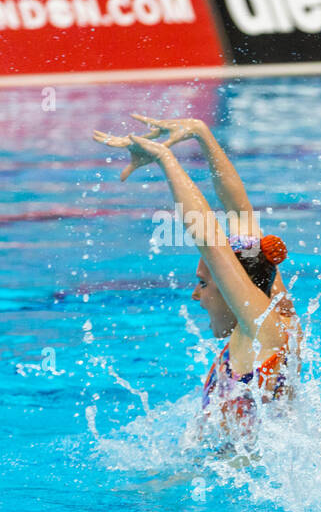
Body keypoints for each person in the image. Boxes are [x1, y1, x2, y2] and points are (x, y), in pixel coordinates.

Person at [91, 120, 299, 439]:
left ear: (233, 288)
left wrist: (166, 158)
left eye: (203, 283)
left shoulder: (263, 330)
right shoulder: (279, 311)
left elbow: (210, 241)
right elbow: (238, 208)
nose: (194, 295)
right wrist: (201, 134)